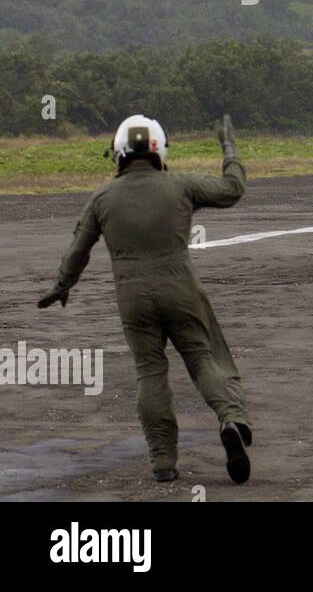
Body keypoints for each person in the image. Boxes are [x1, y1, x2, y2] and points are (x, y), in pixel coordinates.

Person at [38, 114, 253, 484]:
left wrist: (62, 285)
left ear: (119, 153)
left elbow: (78, 249)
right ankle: (230, 418)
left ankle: (163, 462)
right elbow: (231, 190)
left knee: (150, 373)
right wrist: (228, 148)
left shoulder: (103, 198)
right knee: (202, 358)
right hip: (181, 289)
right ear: (159, 150)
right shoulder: (180, 186)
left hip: (133, 297)